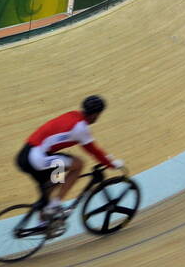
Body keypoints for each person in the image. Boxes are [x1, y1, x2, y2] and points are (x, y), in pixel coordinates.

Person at [16, 96, 122, 234]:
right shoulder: (81, 128)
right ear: (96, 114)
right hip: (38, 157)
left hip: (25, 155)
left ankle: (43, 223)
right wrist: (111, 163)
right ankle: (54, 205)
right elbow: (94, 151)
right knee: (78, 164)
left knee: (52, 182)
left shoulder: (72, 115)